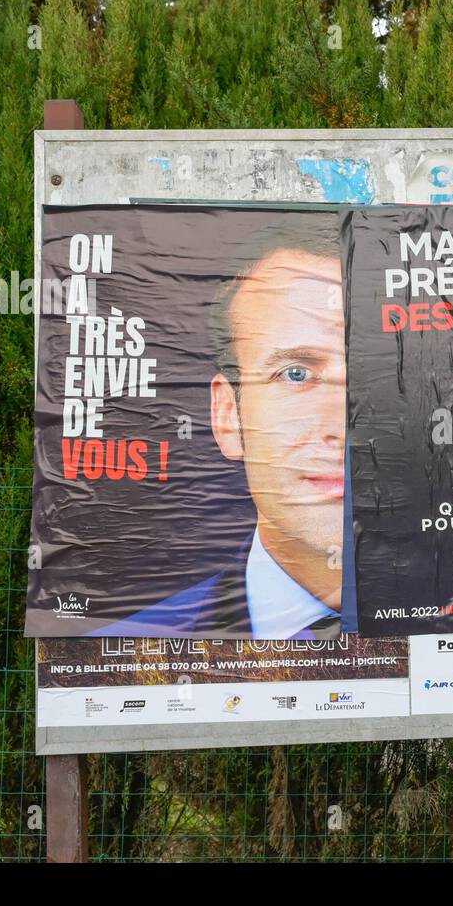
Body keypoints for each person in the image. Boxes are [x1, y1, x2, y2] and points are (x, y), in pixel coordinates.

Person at [93, 216, 348, 640]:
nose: (342, 425)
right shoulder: (125, 655)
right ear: (229, 416)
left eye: (376, 371)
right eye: (297, 373)